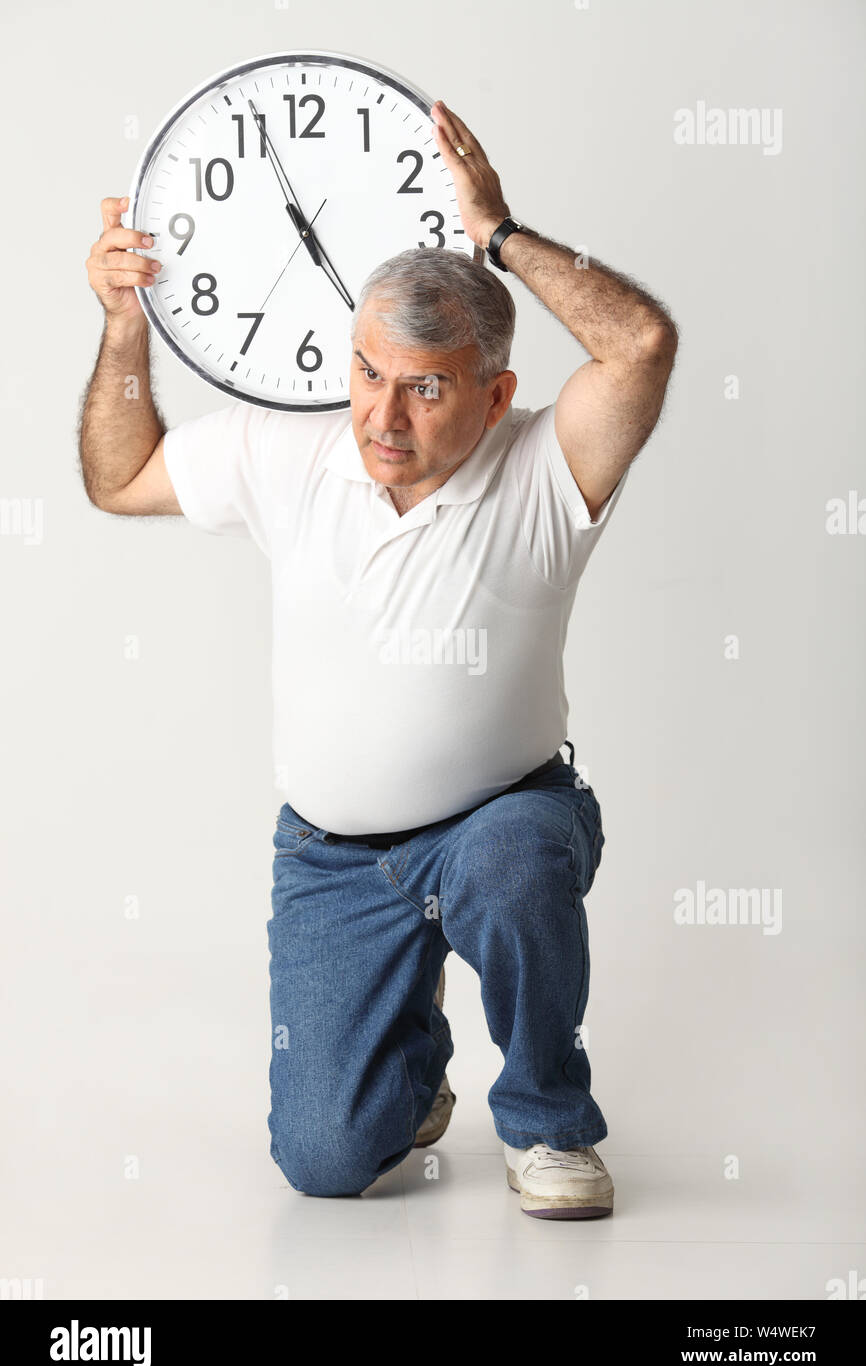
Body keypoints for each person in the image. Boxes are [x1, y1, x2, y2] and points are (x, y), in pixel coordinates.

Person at [80, 98, 677, 1219]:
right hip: (333, 859)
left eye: (426, 386)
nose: (380, 415)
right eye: (366, 372)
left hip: (503, 817)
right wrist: (122, 328)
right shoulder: (286, 447)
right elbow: (119, 478)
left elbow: (639, 341)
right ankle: (407, 1069)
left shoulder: (546, 463)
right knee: (324, 1163)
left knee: (509, 864)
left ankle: (547, 1119)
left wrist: (496, 234)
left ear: (494, 394)